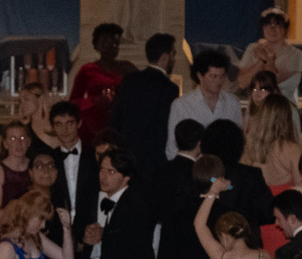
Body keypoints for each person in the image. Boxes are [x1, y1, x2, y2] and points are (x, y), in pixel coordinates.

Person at [110, 33, 180, 177]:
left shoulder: (129, 80)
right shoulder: (169, 88)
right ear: (165, 57)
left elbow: (114, 117)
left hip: (127, 159)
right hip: (154, 162)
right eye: (173, 54)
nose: (174, 59)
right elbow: (165, 128)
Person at [167, 49, 244, 156]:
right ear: (200, 76)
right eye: (213, 76)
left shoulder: (232, 103)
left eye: (222, 77)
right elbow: (172, 144)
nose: (219, 81)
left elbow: (238, 140)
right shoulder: (182, 105)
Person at [69, 22, 132, 146]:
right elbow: (74, 102)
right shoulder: (88, 70)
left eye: (114, 44)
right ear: (96, 45)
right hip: (93, 129)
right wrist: (95, 100)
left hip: (120, 126)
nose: (110, 47)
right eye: (105, 43)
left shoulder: (126, 68)